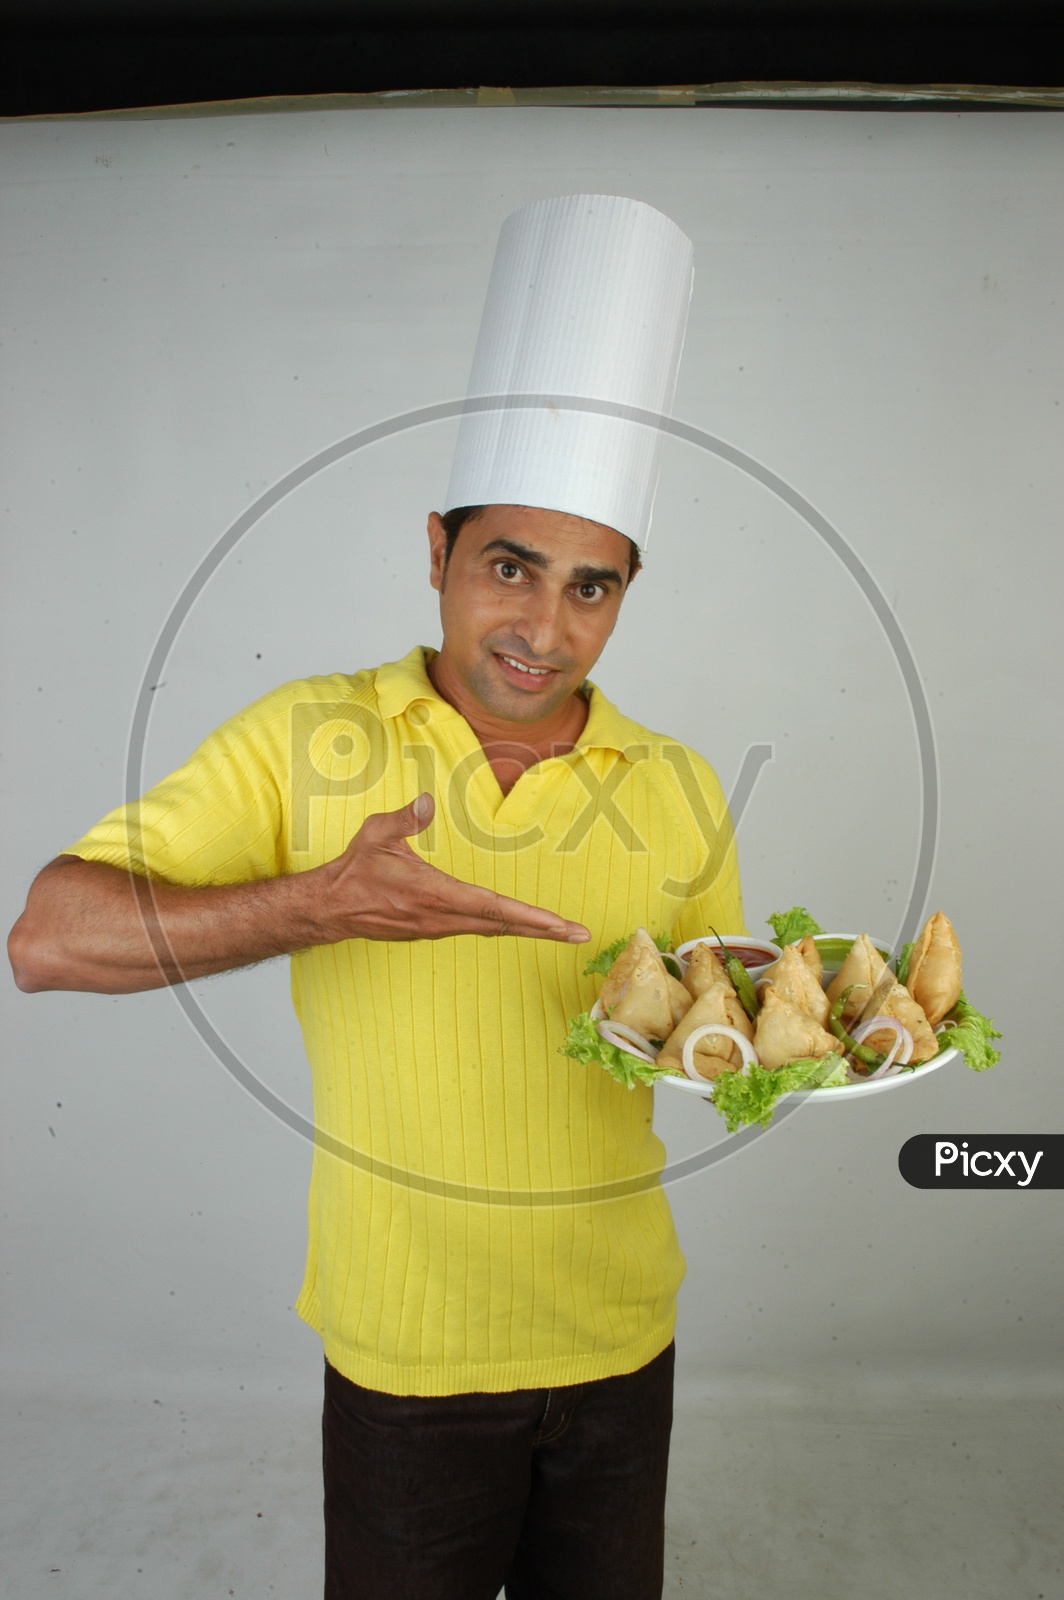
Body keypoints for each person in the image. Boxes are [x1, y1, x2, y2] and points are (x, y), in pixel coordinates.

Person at [7, 198, 746, 1599]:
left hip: (622, 1338)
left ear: (627, 594)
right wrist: (313, 904)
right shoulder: (307, 737)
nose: (543, 628)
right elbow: (46, 939)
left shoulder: (683, 782)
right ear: (437, 550)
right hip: (410, 1354)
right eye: (509, 568)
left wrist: (801, 1032)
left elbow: (718, 1016)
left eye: (593, 588)